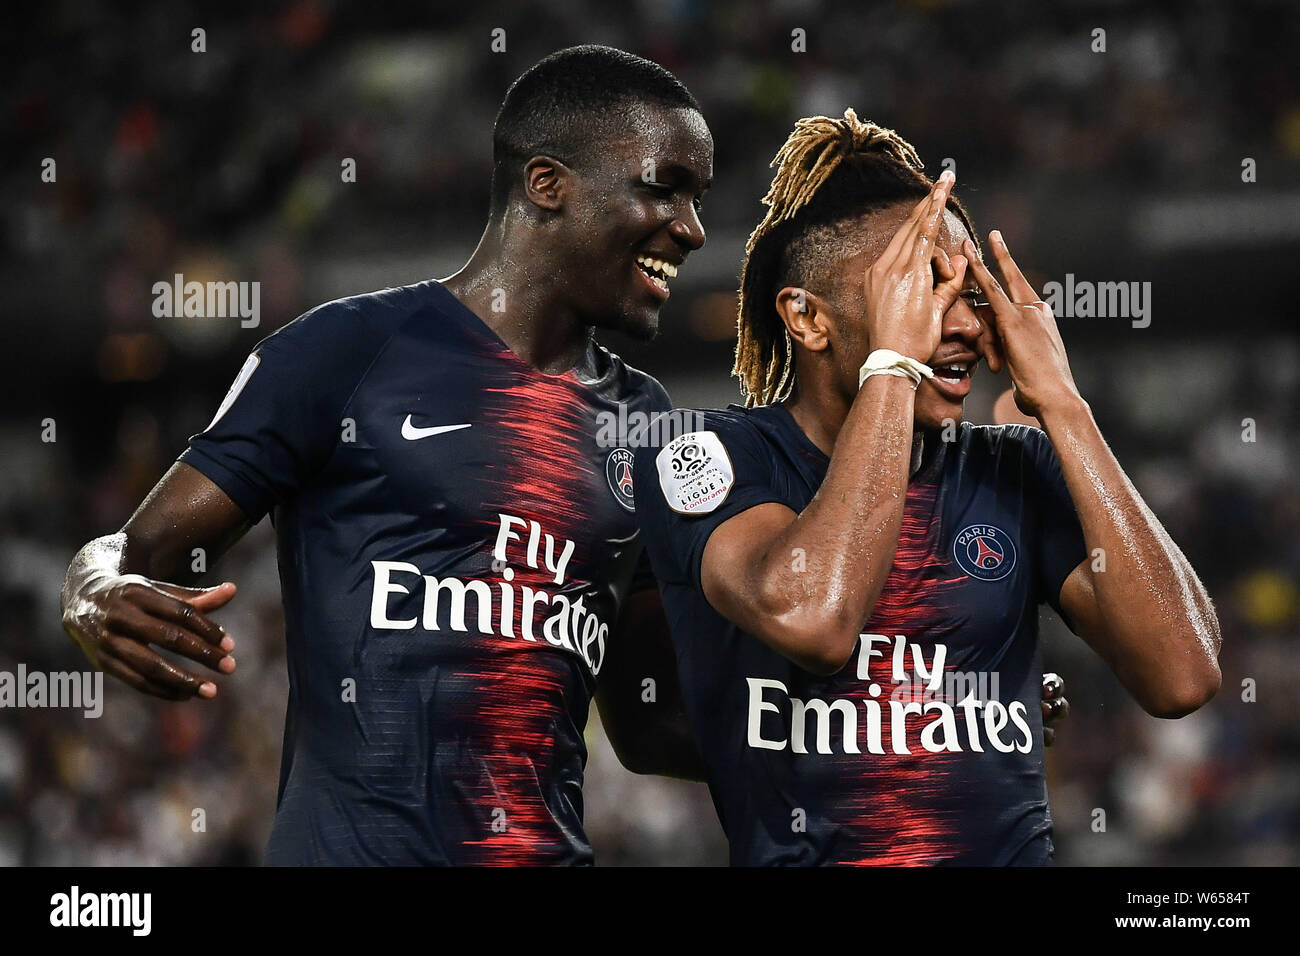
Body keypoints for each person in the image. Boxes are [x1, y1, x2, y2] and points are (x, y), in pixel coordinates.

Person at [59, 45, 712, 865]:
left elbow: (652, 724)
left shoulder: (647, 426)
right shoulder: (347, 349)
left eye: (698, 199)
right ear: (548, 185)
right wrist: (92, 586)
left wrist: (877, 752)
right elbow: (135, 550)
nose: (691, 228)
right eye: (666, 187)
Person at [632, 110, 1221, 865]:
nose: (966, 325)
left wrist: (1065, 408)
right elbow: (815, 617)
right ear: (807, 319)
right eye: (917, 290)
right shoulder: (708, 456)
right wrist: (892, 367)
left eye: (969, 293)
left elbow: (1183, 676)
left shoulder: (1013, 469)